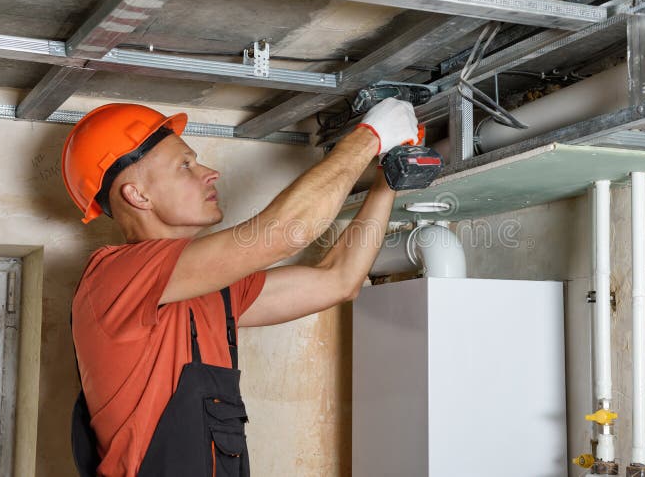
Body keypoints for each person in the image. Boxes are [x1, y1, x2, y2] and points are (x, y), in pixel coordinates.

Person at [63, 98, 418, 477]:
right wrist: (369, 138)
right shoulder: (114, 277)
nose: (210, 172)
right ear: (138, 195)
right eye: (185, 165)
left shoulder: (214, 290)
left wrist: (389, 177)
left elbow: (339, 280)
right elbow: (285, 232)